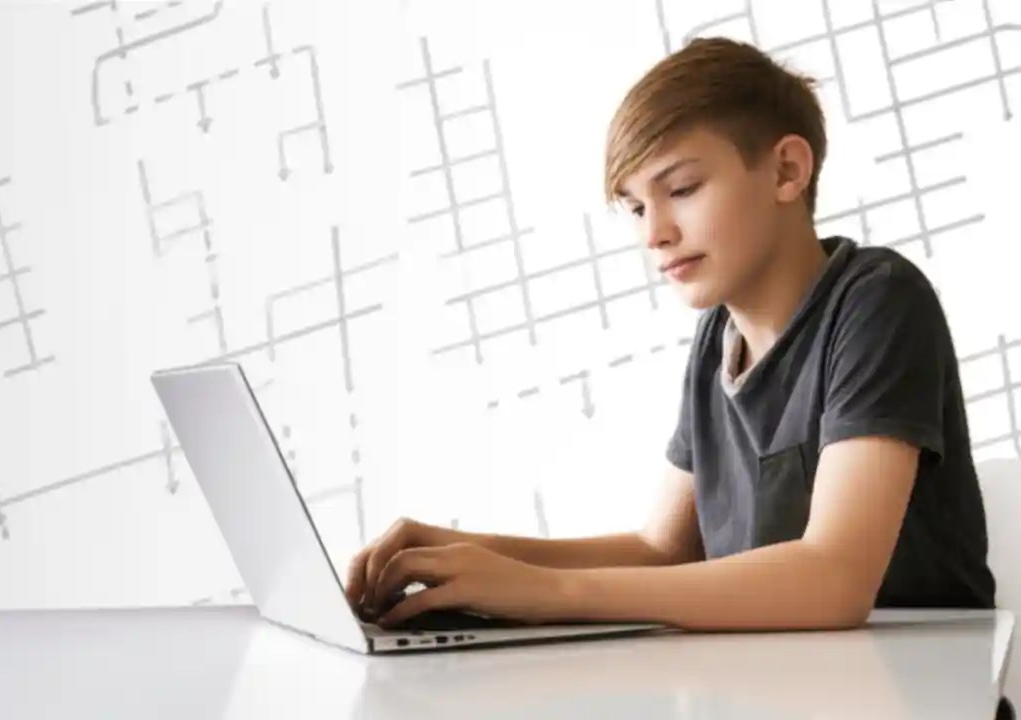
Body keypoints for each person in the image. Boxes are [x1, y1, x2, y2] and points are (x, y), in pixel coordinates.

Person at [345, 36, 1005, 712]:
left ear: (786, 170)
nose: (653, 233)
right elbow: (662, 550)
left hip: (915, 698)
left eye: (682, 189)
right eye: (635, 207)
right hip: (783, 694)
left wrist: (543, 592)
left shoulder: (878, 301)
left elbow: (833, 579)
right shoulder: (717, 337)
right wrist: (467, 556)